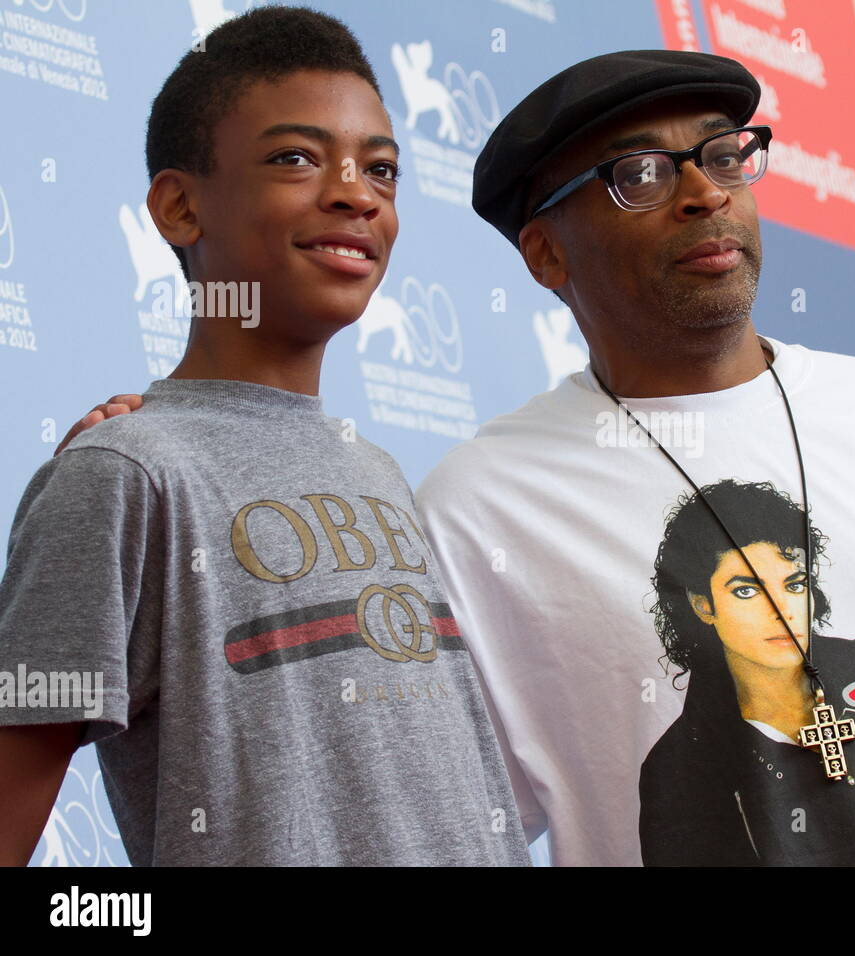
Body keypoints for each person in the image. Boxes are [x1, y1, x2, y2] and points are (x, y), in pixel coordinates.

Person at [56, 49, 855, 867]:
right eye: (636, 173)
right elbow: (401, 794)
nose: (704, 190)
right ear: (543, 254)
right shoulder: (470, 510)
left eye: (724, 153)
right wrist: (171, 435)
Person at [0, 7, 529, 866]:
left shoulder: (378, 468)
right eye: (295, 158)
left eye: (382, 169)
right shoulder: (123, 472)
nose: (356, 192)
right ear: (178, 207)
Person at [639, 478, 855, 865]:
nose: (781, 610)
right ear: (703, 605)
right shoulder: (679, 767)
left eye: (795, 584)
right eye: (746, 590)